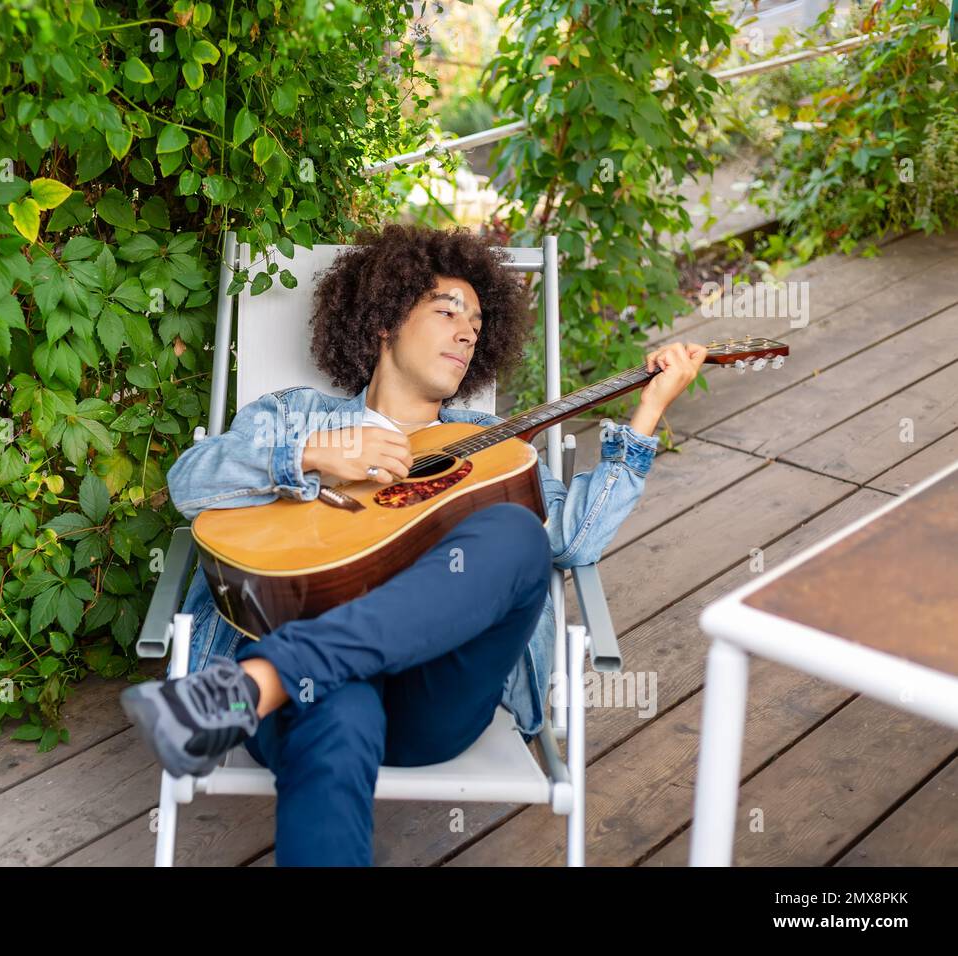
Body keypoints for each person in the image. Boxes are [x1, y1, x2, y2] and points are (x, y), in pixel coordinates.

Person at [120, 223, 707, 866]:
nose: (466, 331)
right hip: (323, 696)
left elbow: (572, 540)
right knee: (338, 713)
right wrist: (315, 456)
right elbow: (190, 484)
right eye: (447, 310)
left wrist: (647, 414)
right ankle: (283, 672)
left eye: (477, 325)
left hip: (436, 695)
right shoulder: (295, 416)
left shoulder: (493, 448)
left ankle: (259, 680)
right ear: (386, 319)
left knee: (516, 533)